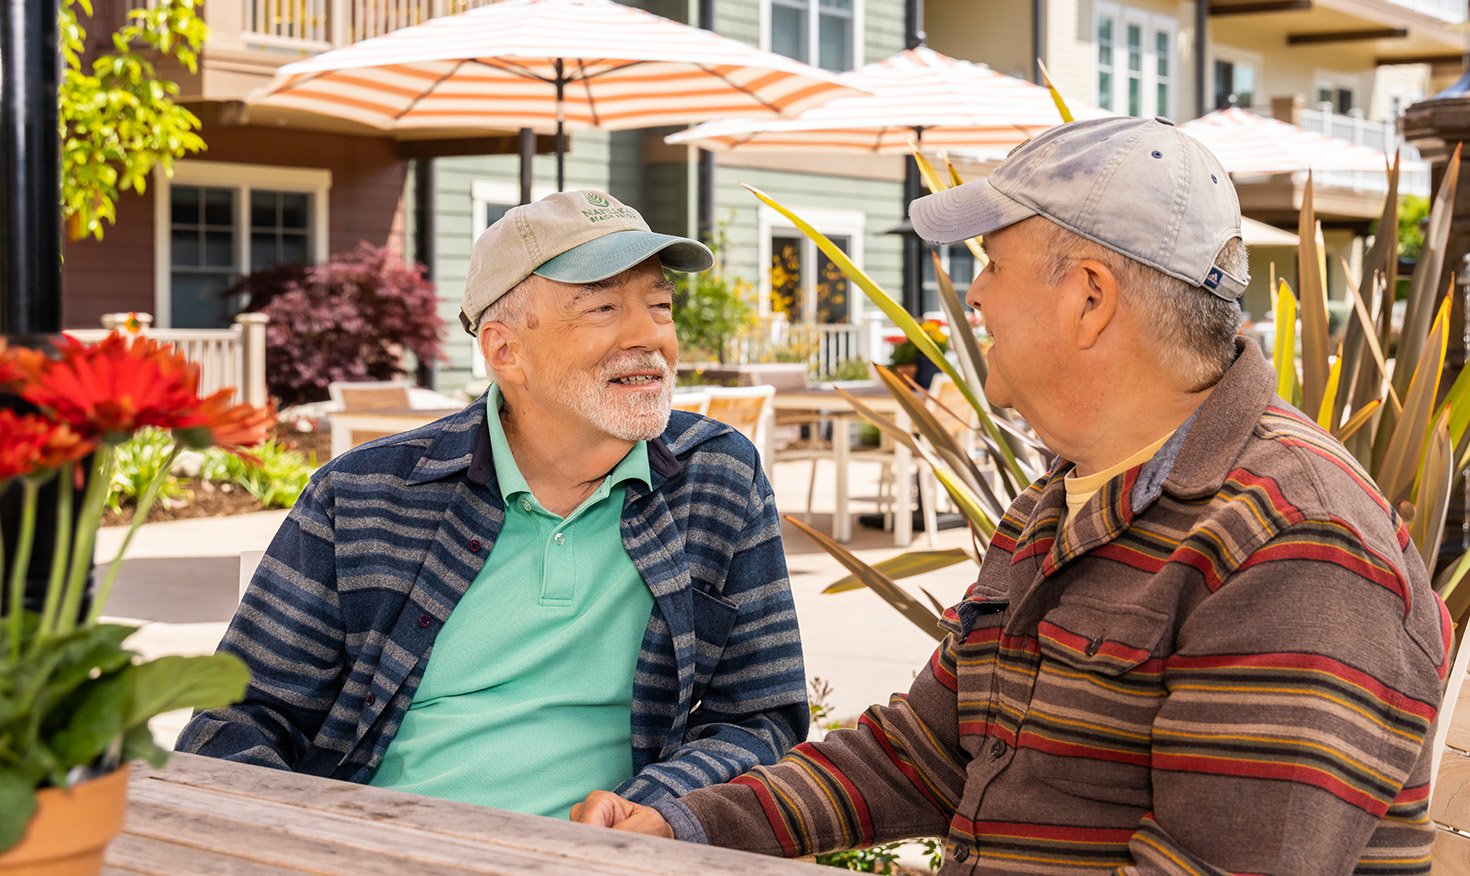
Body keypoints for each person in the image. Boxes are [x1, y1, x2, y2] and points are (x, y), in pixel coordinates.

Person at [571, 117, 1452, 873]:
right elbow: (922, 752)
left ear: (1090, 299)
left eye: (992, 261)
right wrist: (680, 825)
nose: (975, 292)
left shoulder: (1296, 545)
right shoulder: (1068, 498)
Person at [178, 190, 809, 820]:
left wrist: (655, 810)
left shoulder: (716, 475)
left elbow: (761, 713)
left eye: (660, 305)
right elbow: (240, 720)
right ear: (505, 351)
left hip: (600, 859)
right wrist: (312, 843)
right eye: (603, 308)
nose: (650, 337)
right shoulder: (365, 496)